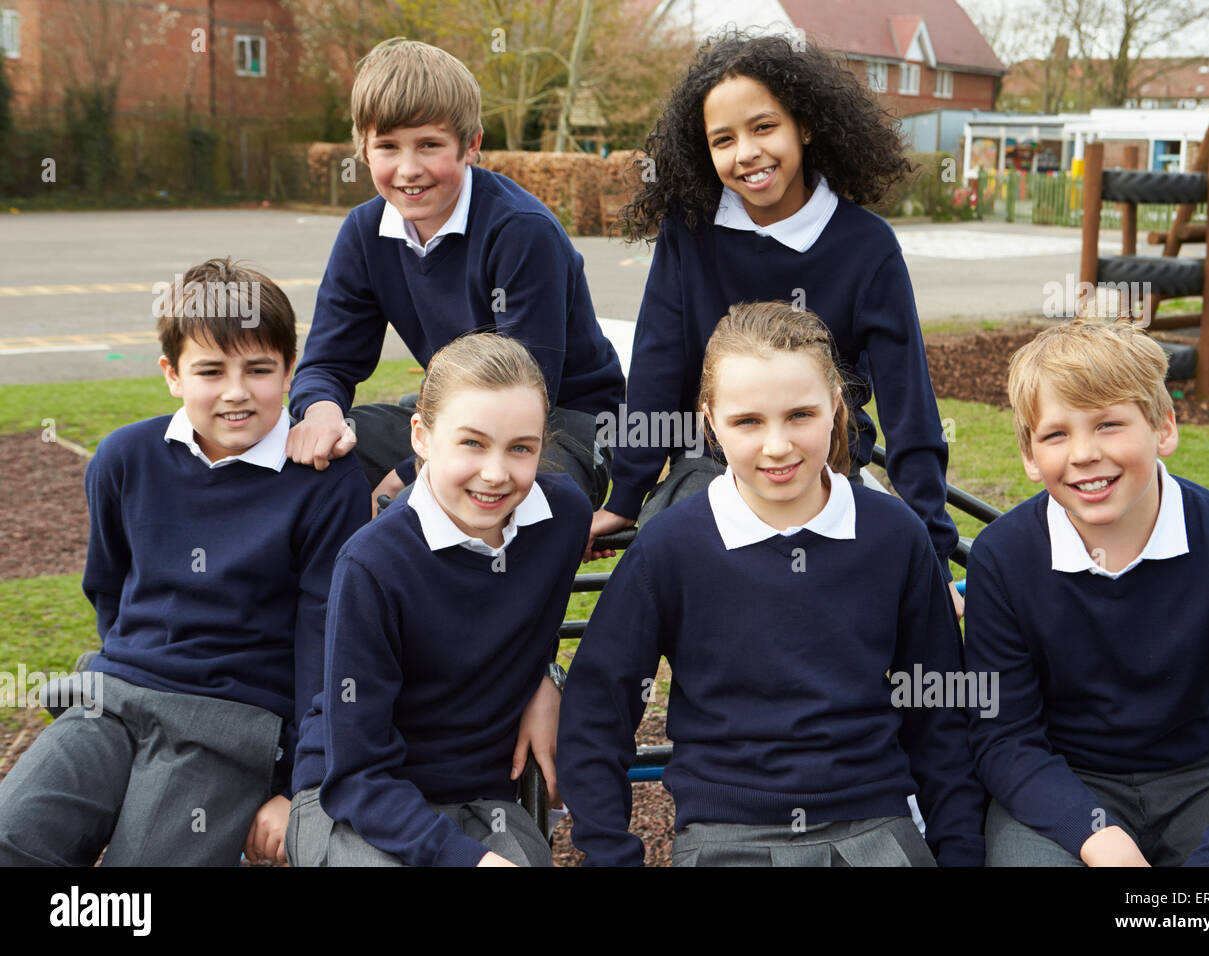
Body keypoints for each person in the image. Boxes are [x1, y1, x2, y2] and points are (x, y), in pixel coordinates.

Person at [558, 303, 986, 867]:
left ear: (836, 406)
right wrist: (612, 854)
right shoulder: (672, 545)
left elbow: (939, 714)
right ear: (709, 422)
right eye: (748, 422)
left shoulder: (892, 534)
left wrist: (957, 853)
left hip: (874, 827)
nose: (778, 445)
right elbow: (597, 708)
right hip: (725, 836)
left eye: (800, 415)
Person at [0, 258, 370, 866]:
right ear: (171, 374)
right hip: (113, 698)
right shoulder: (124, 459)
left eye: (258, 369)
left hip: (229, 726)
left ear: (289, 370)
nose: (235, 391)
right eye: (209, 370)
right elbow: (110, 588)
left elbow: (328, 646)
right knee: (15, 837)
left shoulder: (324, 483)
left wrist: (300, 788)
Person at [588, 31, 961, 613]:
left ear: (804, 126)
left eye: (764, 127)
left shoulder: (866, 245)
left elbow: (908, 400)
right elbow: (661, 362)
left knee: (834, 586)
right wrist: (628, 494)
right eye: (723, 139)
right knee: (682, 572)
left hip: (825, 453)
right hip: (714, 456)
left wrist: (932, 550)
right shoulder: (690, 234)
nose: (746, 153)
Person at [964, 317, 1209, 867]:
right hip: (1064, 783)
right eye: (1056, 434)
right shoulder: (1003, 560)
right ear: (1029, 455)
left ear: (1163, 428)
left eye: (1109, 424)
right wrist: (1100, 839)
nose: (1084, 453)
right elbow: (1005, 739)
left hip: (1201, 778)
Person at [286, 333, 590, 867]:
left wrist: (546, 678)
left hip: (480, 797)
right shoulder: (373, 562)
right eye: (471, 443)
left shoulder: (562, 516)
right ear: (421, 437)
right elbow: (356, 770)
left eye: (521, 447)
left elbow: (523, 625)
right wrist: (467, 861)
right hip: (358, 801)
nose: (496, 474)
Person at [285, 37, 625, 513]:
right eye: (387, 146)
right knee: (306, 465)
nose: (408, 169)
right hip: (446, 415)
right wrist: (321, 417)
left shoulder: (521, 231)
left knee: (445, 500)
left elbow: (522, 391)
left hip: (560, 422)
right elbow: (328, 363)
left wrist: (410, 472)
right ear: (364, 149)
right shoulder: (364, 232)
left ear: (471, 145)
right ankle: (334, 589)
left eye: (429, 145)